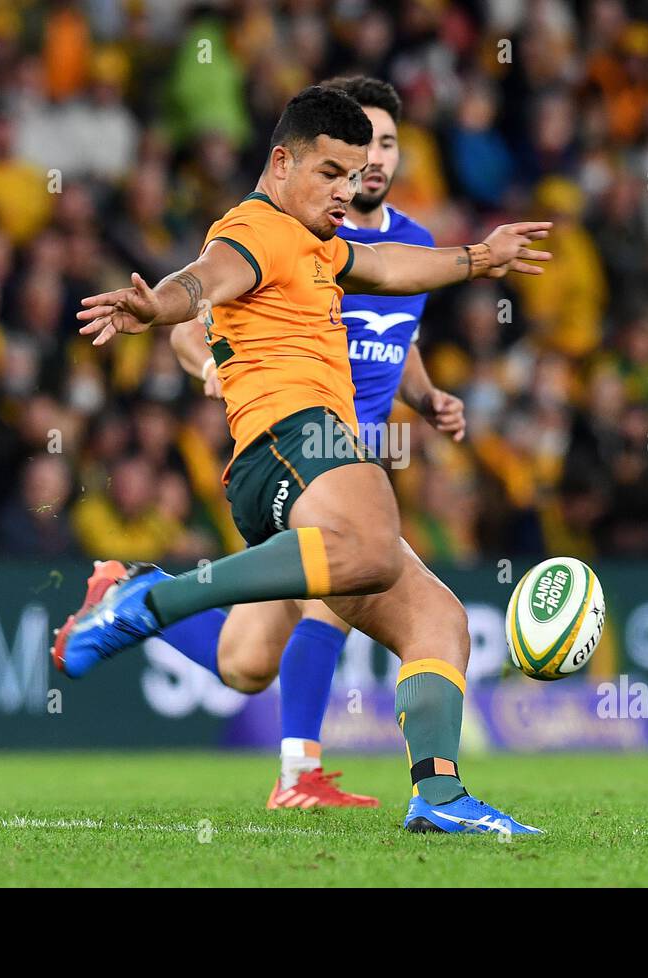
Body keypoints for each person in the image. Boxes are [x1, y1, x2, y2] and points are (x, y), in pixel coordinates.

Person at [57, 85, 551, 834]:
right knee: (371, 540)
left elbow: (388, 267)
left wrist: (483, 257)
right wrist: (158, 307)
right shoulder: (257, 228)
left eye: (355, 179)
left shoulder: (318, 242)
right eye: (331, 174)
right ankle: (148, 605)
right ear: (282, 162)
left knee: (429, 626)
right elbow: (202, 280)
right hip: (294, 442)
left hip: (305, 465)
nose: (346, 194)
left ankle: (439, 794)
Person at [160, 76, 466, 810]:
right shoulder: (289, 232)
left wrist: (425, 398)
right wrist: (214, 366)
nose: (373, 163)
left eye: (387, 145)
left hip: (353, 449)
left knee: (245, 662)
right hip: (307, 449)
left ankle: (134, 594)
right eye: (358, 150)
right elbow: (185, 319)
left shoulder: (412, 244)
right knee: (349, 579)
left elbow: (400, 338)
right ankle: (301, 776)